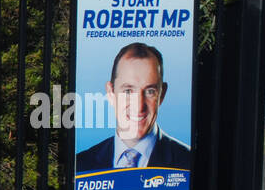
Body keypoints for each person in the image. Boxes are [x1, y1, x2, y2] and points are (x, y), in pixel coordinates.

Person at [75, 42, 190, 173]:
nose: (139, 106)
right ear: (111, 92)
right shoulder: (81, 164)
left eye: (150, 91)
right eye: (128, 91)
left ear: (162, 94)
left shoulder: (188, 161)